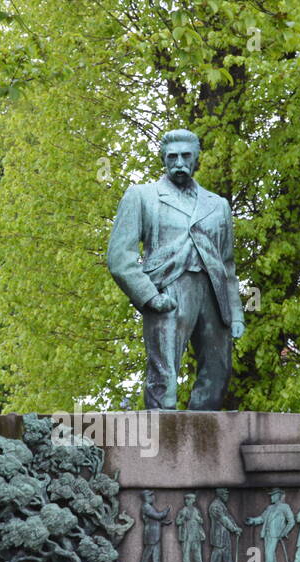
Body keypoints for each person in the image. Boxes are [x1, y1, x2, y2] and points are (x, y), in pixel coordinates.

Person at [107, 129, 246, 410]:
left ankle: (203, 443)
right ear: (163, 159)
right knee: (164, 380)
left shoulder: (218, 205)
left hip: (213, 296)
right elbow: (119, 258)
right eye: (172, 157)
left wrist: (236, 313)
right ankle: (163, 447)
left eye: (186, 156)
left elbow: (227, 265)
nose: (179, 162)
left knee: (218, 375)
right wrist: (149, 297)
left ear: (196, 159)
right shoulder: (142, 196)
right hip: (168, 290)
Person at [245, 489, 295, 562]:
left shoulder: (284, 507)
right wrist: (252, 520)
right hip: (267, 533)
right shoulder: (269, 508)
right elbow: (262, 518)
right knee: (270, 553)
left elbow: (291, 521)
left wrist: (284, 532)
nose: (271, 497)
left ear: (278, 496)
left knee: (269, 553)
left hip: (276, 533)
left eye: (273, 495)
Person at [207, 487, 242, 562]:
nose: (227, 496)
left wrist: (235, 527)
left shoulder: (221, 505)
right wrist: (234, 529)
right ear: (220, 494)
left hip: (225, 533)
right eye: (226, 494)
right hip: (218, 534)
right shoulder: (215, 506)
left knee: (227, 552)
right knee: (218, 552)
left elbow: (229, 517)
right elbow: (223, 519)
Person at [139, 490, 172, 562]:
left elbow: (154, 520)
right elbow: (157, 516)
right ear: (146, 498)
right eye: (150, 496)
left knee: (157, 552)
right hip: (150, 533)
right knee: (148, 551)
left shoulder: (150, 506)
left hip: (155, 533)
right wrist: (166, 511)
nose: (153, 498)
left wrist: (164, 523)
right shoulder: (146, 507)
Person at [175, 492, 207, 562]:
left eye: (191, 500)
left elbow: (201, 521)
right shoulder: (183, 511)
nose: (188, 501)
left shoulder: (196, 510)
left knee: (198, 555)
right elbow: (177, 522)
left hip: (195, 535)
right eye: (187, 500)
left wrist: (199, 519)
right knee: (186, 555)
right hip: (186, 536)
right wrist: (183, 519)